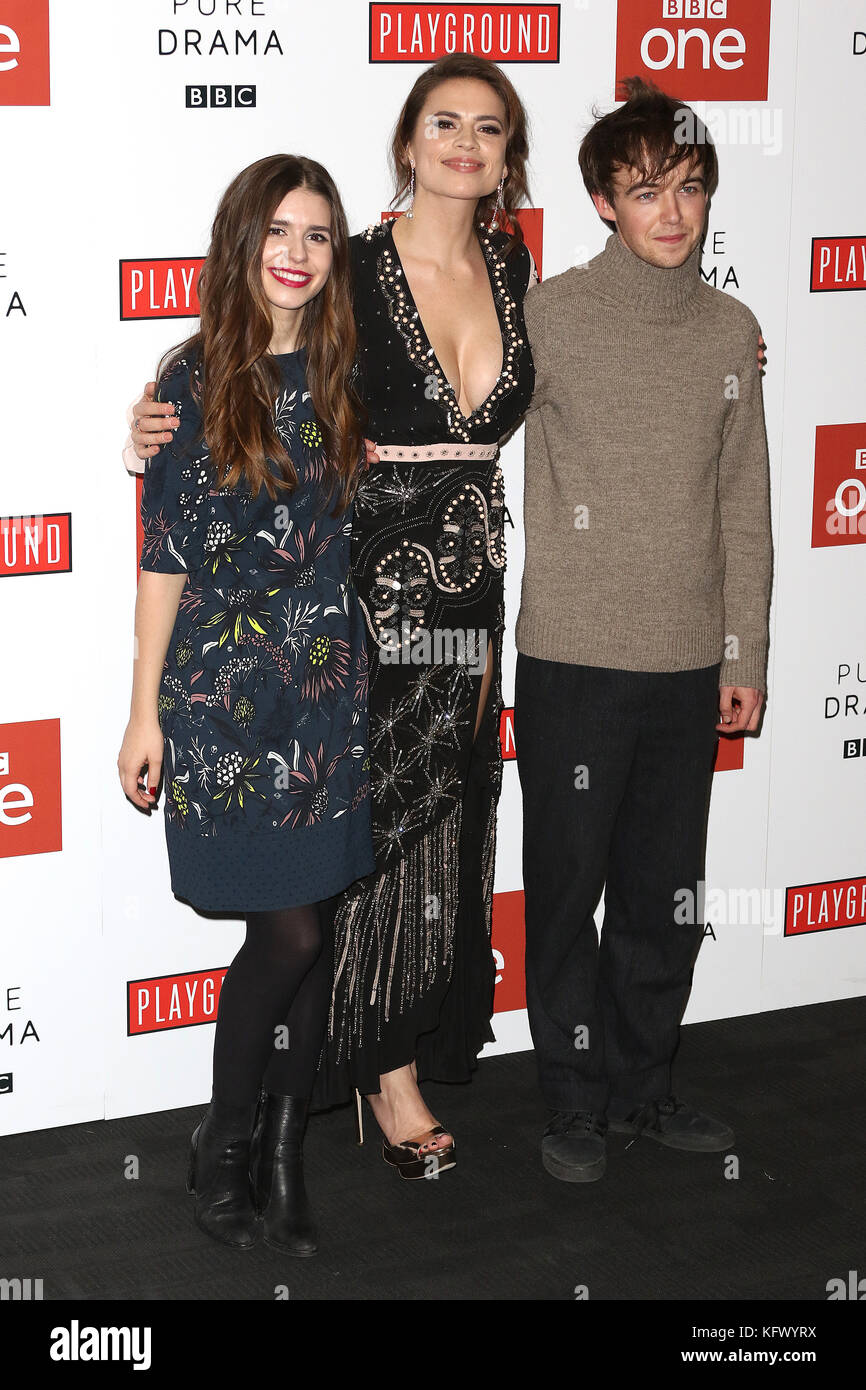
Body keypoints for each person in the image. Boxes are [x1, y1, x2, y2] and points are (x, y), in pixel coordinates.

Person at [128, 54, 537, 1177]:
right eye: (442, 122)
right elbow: (232, 370)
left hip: (463, 589)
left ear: (508, 157)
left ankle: (374, 1059)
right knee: (367, 841)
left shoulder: (512, 266)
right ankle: (370, 1085)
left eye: (488, 128)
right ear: (405, 141)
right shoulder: (352, 265)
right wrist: (146, 426)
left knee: (441, 817)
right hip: (357, 592)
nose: (464, 143)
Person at [514, 78, 772, 1182]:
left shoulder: (731, 329)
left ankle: (644, 1084)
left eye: (688, 186)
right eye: (643, 190)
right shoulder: (547, 314)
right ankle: (572, 1099)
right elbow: (438, 410)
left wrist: (741, 652)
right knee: (567, 895)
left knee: (665, 898)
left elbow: (743, 502)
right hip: (570, 661)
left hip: (682, 671)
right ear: (600, 201)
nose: (671, 210)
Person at [117, 154, 374, 1250]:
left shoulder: (346, 369)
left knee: (310, 932)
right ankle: (225, 1140)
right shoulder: (187, 381)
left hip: (325, 695)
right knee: (291, 930)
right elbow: (163, 556)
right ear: (240, 240)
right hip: (224, 701)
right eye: (279, 229)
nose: (297, 252)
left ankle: (282, 1154)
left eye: (318, 234)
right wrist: (142, 712)